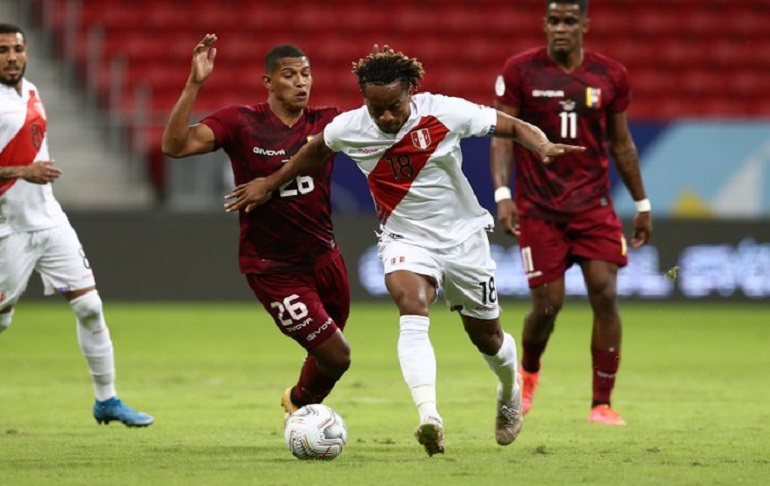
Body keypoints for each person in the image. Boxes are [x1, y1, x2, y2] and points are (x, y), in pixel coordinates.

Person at [224, 45, 584, 456]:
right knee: (411, 306)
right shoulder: (350, 127)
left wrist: (541, 145)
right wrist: (271, 183)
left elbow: (513, 126)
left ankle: (509, 387)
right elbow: (315, 150)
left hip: (463, 238)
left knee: (487, 337)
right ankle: (429, 417)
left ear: (411, 92)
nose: (387, 118)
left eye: (394, 107)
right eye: (377, 110)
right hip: (405, 238)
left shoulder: (445, 112)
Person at [161, 35, 352, 422]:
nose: (301, 82)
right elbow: (175, 145)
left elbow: (384, 128)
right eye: (289, 75)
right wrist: (195, 83)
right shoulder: (240, 122)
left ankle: (299, 404)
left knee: (329, 356)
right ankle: (301, 407)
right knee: (337, 354)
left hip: (326, 258)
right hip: (274, 269)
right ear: (268, 82)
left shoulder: (328, 122)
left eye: (306, 74)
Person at [490, 0, 652, 426]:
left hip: (594, 207)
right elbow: (503, 136)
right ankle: (528, 373)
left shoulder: (610, 74)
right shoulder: (520, 71)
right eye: (554, 21)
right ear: (544, 24)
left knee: (605, 291)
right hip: (539, 209)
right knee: (548, 305)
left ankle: (601, 402)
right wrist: (503, 193)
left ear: (585, 25)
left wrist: (642, 203)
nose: (561, 28)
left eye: (569, 21)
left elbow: (621, 144)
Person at [0, 23, 153, 427]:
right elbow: (21, 164)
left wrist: (32, 175)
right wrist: (20, 170)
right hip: (7, 228)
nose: (12, 56)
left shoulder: (30, 90)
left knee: (89, 305)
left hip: (49, 220)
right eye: (3, 50)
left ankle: (107, 400)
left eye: (18, 48)